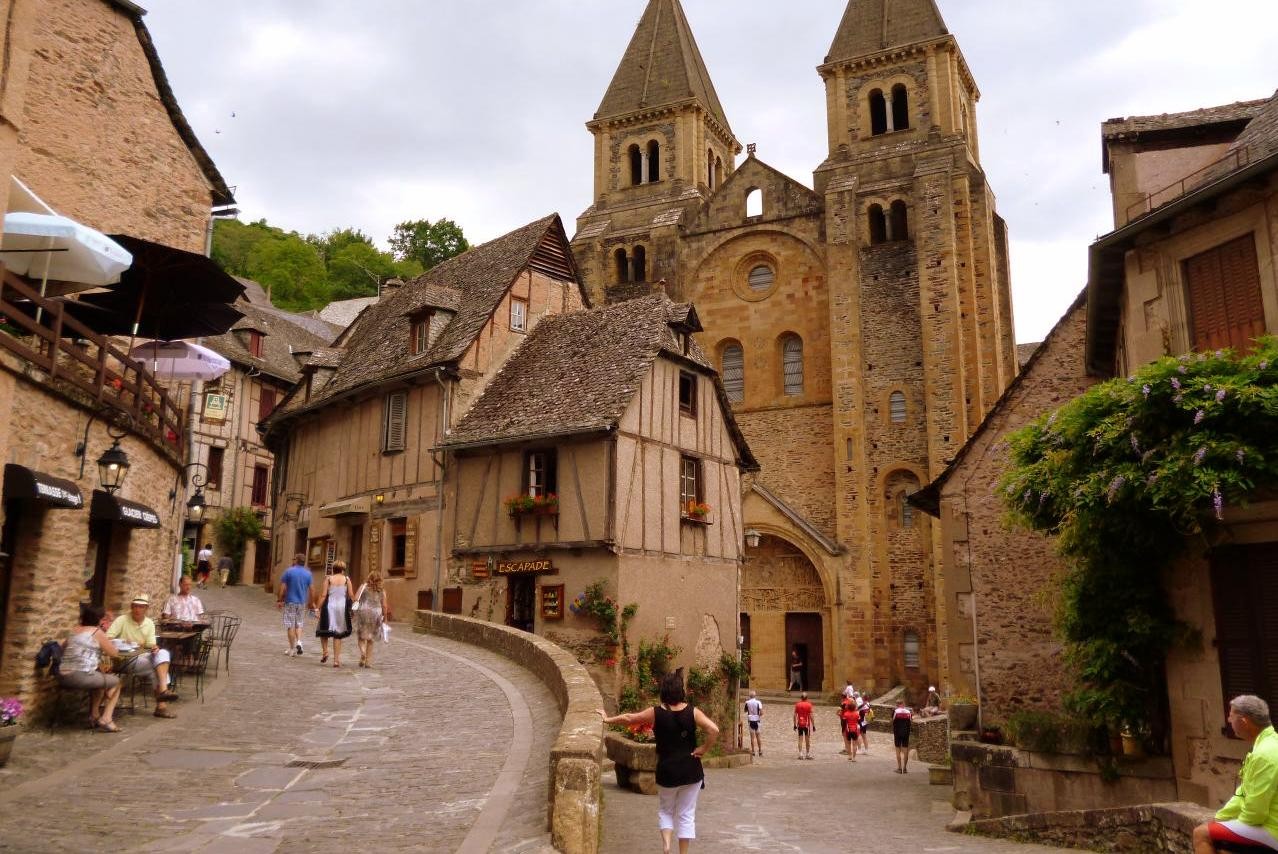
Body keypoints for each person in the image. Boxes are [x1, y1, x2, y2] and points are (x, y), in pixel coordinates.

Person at [599, 671, 718, 854]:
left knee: (666, 811)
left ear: (663, 691)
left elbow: (630, 718)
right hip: (691, 770)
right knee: (687, 815)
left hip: (667, 770)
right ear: (681, 690)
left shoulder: (656, 713)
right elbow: (714, 729)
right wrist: (703, 749)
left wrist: (607, 719)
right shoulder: (693, 712)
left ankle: (667, 845)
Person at [1193, 695, 1278, 853]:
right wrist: (1220, 818)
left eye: (1231, 716)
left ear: (1244, 722)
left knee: (1201, 834)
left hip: (1272, 829)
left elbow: (1255, 814)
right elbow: (1243, 793)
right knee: (1224, 843)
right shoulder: (1268, 743)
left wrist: (1228, 826)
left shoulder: (1264, 754)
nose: (1228, 720)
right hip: (1269, 824)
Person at [106, 594, 177, 718]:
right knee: (157, 666)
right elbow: (108, 637)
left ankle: (163, 696)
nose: (138, 609)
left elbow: (151, 643)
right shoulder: (122, 620)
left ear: (146, 609)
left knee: (163, 653)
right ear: (131, 607)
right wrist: (123, 641)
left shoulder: (148, 622)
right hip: (124, 660)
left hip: (142, 658)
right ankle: (162, 703)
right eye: (135, 606)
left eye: (141, 607)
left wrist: (153, 647)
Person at [59, 603, 123, 733]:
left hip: (62, 676)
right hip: (80, 676)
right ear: (98, 619)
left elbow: (63, 647)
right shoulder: (96, 632)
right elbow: (114, 653)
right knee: (116, 682)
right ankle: (107, 718)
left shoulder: (74, 630)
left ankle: (94, 715)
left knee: (100, 680)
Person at [314, 560, 354, 667]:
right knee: (338, 634)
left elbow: (323, 595)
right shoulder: (347, 579)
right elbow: (350, 595)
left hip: (329, 606)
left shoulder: (328, 579)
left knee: (323, 629)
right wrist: (354, 607)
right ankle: (336, 660)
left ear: (333, 569)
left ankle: (325, 651)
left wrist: (317, 608)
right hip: (341, 607)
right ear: (343, 569)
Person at [353, 570, 392, 668]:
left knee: (361, 636)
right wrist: (385, 619)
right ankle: (368, 662)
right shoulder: (382, 590)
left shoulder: (363, 587)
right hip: (376, 613)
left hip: (363, 611)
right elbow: (384, 606)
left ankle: (363, 653)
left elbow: (355, 598)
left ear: (369, 578)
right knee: (371, 639)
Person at [277, 553, 313, 657]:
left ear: (296, 560)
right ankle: (299, 642)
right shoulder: (308, 574)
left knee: (290, 625)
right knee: (299, 624)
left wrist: (279, 600)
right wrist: (312, 602)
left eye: (294, 559)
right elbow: (312, 589)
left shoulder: (289, 571)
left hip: (290, 602)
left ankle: (292, 649)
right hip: (302, 602)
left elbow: (282, 587)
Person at [892, 698, 914, 773]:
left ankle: (899, 768)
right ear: (903, 704)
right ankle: (905, 768)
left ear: (897, 704)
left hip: (897, 732)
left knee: (897, 750)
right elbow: (911, 721)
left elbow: (892, 720)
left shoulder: (895, 711)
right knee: (905, 750)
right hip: (906, 733)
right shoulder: (908, 712)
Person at [794, 691, 814, 760]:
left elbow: (794, 715)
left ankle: (800, 754)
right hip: (806, 725)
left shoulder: (797, 704)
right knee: (807, 739)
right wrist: (813, 725)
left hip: (800, 724)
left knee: (800, 739)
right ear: (807, 698)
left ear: (801, 698)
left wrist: (794, 724)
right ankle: (807, 754)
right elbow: (811, 716)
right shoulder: (809, 705)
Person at [744, 689, 764, 757]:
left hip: (750, 720)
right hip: (757, 720)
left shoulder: (747, 702)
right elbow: (761, 713)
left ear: (749, 696)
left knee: (752, 737)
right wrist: (758, 715)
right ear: (755, 696)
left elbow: (745, 710)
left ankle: (753, 751)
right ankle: (760, 750)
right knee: (758, 736)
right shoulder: (758, 702)